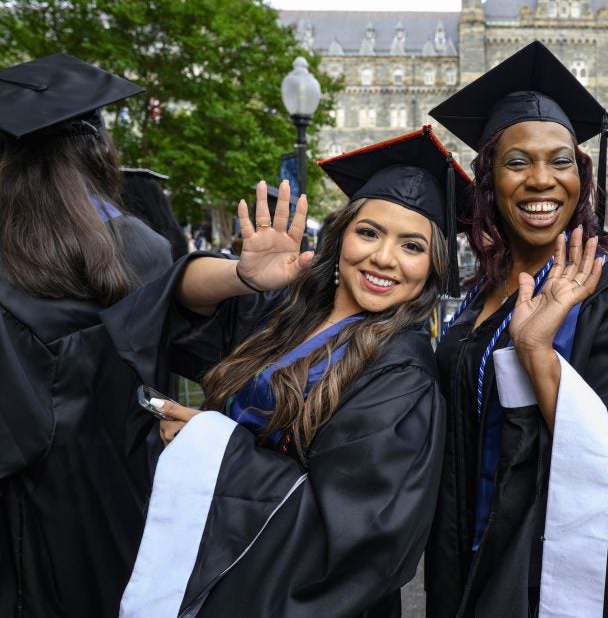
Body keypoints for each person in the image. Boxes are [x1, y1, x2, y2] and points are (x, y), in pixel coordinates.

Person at [112, 127, 470, 617]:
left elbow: (358, 542)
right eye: (369, 232)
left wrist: (213, 448)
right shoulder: (287, 312)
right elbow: (176, 317)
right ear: (341, 237)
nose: (384, 258)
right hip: (206, 561)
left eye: (412, 246)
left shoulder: (402, 379)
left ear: (433, 268)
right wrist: (240, 275)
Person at [424, 41, 608, 617]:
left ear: (582, 176)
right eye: (517, 162)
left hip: (539, 581)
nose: (541, 180)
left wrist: (535, 352)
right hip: (454, 565)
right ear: (488, 180)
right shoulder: (478, 293)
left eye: (561, 161)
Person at [0, 54, 173, 616]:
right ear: (98, 149)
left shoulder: (8, 261)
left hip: (27, 523)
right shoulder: (145, 248)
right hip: (126, 502)